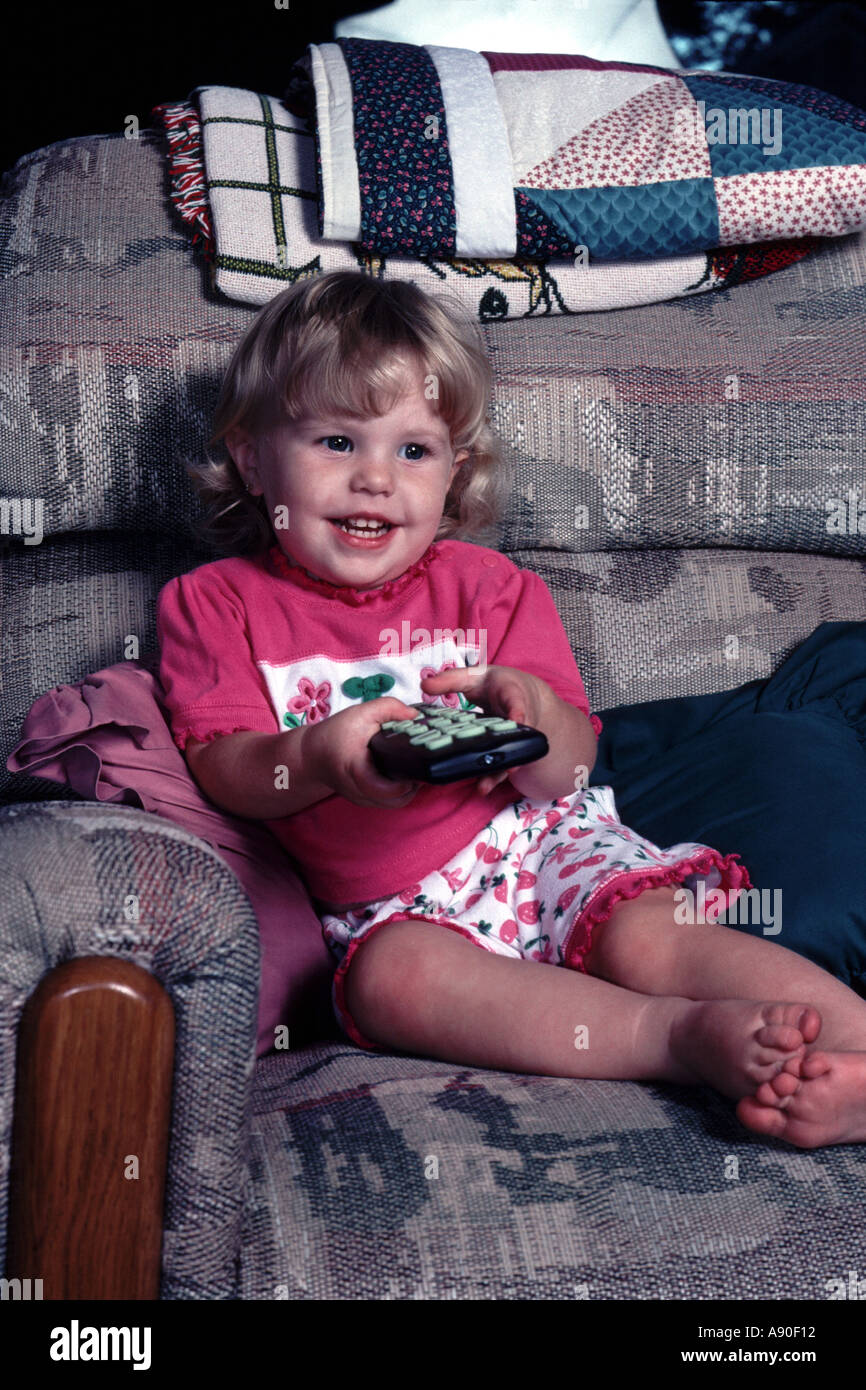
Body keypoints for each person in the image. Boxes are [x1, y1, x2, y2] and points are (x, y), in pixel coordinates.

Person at [157, 270, 866, 1149]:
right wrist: (315, 757)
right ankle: (680, 1040)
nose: (377, 479)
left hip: (540, 844)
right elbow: (227, 769)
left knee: (651, 937)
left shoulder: (491, 587)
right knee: (392, 981)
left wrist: (530, 711)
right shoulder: (214, 602)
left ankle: (857, 1050)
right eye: (337, 442)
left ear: (456, 472)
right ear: (254, 455)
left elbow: (572, 767)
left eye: (414, 451)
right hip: (393, 904)